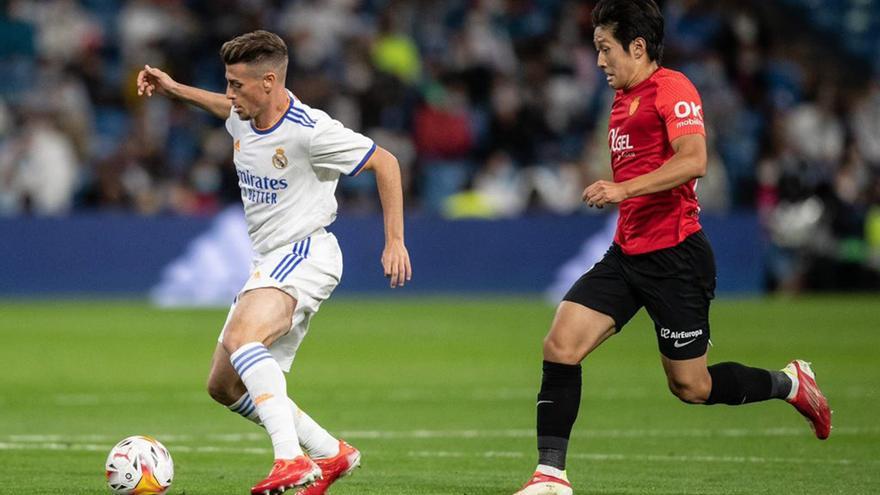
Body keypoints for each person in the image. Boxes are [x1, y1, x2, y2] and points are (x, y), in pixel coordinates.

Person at [513, 2, 830, 494]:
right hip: (627, 254)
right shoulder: (622, 100)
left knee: (691, 386)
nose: (599, 61)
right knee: (560, 344)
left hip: (676, 257)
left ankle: (790, 383)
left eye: (606, 49)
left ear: (638, 47)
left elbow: (694, 160)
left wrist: (622, 189)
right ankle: (550, 476)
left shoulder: (673, 88)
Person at [137, 30, 412, 495]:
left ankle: (290, 459)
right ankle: (330, 451)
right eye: (227, 82)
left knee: (243, 338)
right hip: (270, 259)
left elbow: (386, 162)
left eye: (237, 85)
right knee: (224, 386)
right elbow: (224, 109)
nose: (229, 94)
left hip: (305, 251)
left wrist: (395, 242)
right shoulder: (243, 114)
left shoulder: (311, 130)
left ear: (268, 82)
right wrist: (174, 89)